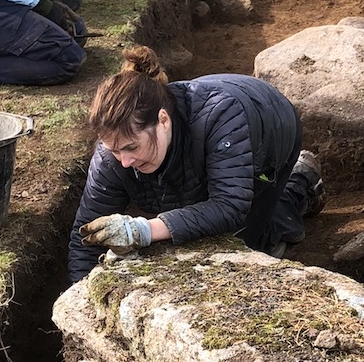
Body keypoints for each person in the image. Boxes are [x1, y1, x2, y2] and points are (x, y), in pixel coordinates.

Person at [68, 46, 324, 284]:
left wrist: (143, 230)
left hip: (268, 123)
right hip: (199, 141)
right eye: (114, 150)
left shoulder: (219, 118)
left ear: (163, 120)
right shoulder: (111, 155)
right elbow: (86, 236)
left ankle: (300, 184)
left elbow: (230, 205)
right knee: (187, 210)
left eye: (132, 148)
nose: (125, 161)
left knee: (244, 243)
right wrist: (79, 297)